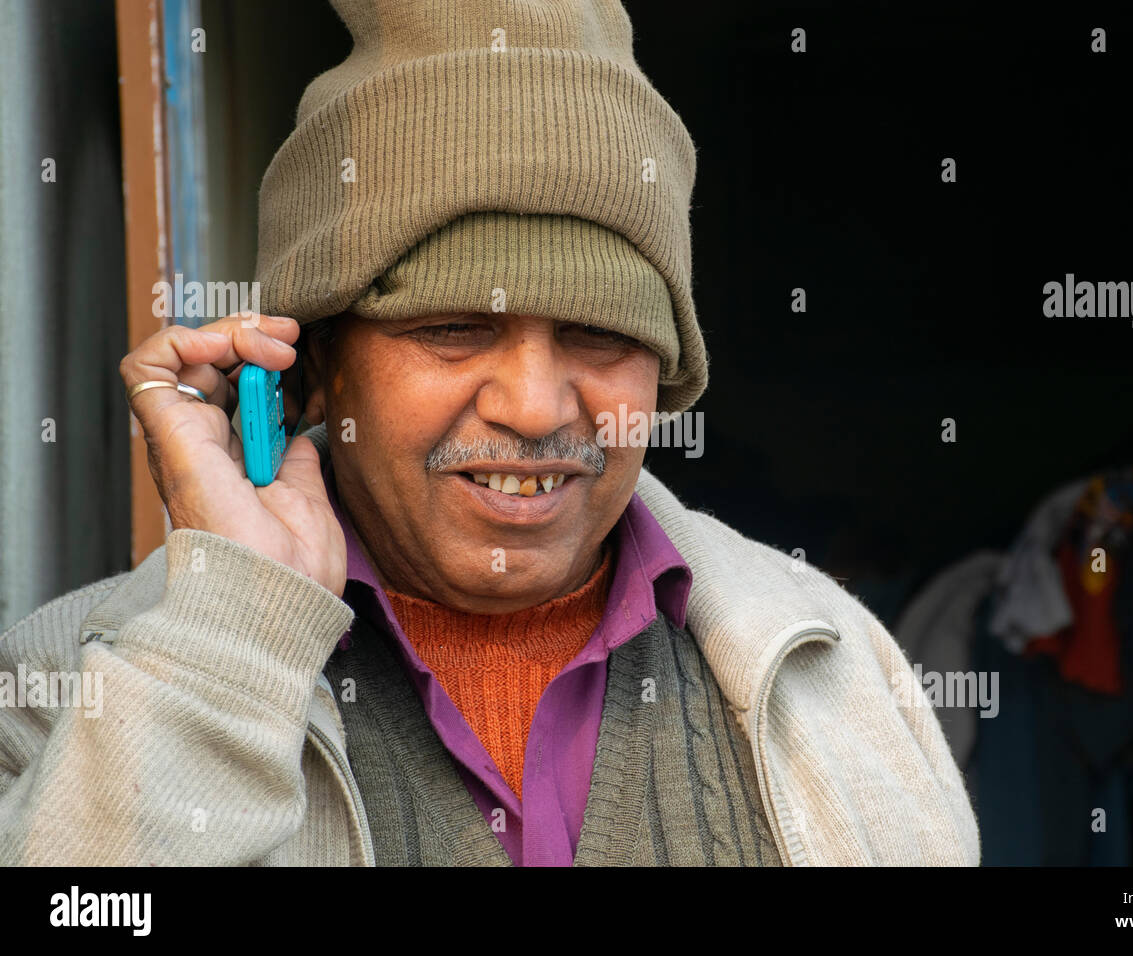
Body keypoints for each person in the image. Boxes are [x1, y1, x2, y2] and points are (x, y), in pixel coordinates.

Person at [0, 0, 977, 866]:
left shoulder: (831, 663)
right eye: (452, 329)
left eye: (598, 333)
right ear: (309, 366)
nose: (537, 407)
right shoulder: (62, 687)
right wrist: (225, 644)